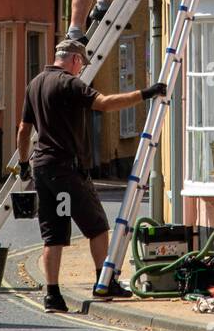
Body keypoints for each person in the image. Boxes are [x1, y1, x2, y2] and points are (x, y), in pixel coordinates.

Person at [17, 37, 167, 311]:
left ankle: (52, 295)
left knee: (54, 235)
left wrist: (25, 163)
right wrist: (146, 94)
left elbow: (24, 130)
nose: (80, 69)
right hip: (68, 170)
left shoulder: (35, 84)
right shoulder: (70, 84)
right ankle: (103, 283)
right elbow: (106, 103)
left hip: (43, 169)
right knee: (97, 226)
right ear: (75, 60)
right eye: (80, 64)